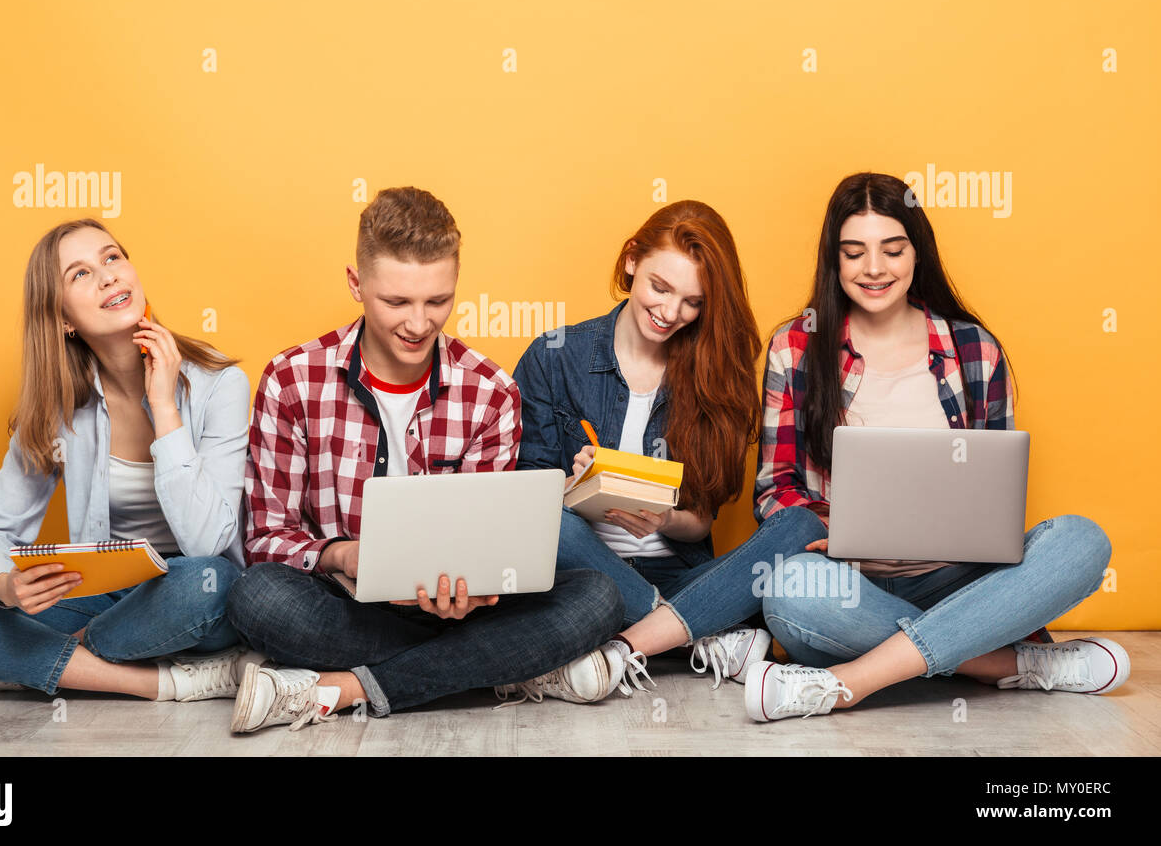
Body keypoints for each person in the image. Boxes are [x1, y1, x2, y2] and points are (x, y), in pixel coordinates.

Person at [225, 186, 625, 733]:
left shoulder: (490, 391)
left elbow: (490, 545)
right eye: (397, 302)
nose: (419, 324)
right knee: (256, 597)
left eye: (438, 301)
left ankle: (344, 689)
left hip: (459, 613)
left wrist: (479, 594)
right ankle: (501, 666)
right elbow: (266, 538)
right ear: (355, 283)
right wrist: (341, 556)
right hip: (346, 606)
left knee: (597, 598)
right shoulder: (292, 379)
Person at [745, 172, 1128, 722]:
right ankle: (1004, 663)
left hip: (963, 583)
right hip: (852, 587)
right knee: (790, 590)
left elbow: (996, 491)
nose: (874, 269)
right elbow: (774, 486)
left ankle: (847, 682)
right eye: (854, 253)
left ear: (917, 252)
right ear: (835, 261)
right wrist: (839, 540)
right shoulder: (796, 347)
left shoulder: (974, 347)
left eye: (892, 250)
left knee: (1082, 541)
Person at [0, 219, 260, 702]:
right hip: (98, 603)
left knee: (209, 583)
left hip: (186, 599)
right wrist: (5, 586)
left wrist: (165, 408)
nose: (107, 277)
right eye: (80, 274)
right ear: (63, 319)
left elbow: (210, 541)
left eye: (112, 258)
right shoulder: (55, 407)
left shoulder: (217, 384)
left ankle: (26, 663)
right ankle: (159, 682)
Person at [512, 201, 825, 698]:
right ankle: (699, 632)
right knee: (546, 523)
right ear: (632, 260)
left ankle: (630, 642)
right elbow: (523, 504)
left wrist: (662, 517)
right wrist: (576, 487)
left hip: (682, 573)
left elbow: (699, 522)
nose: (670, 313)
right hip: (582, 576)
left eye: (692, 302)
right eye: (660, 287)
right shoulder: (555, 357)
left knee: (804, 524)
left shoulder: (716, 373)